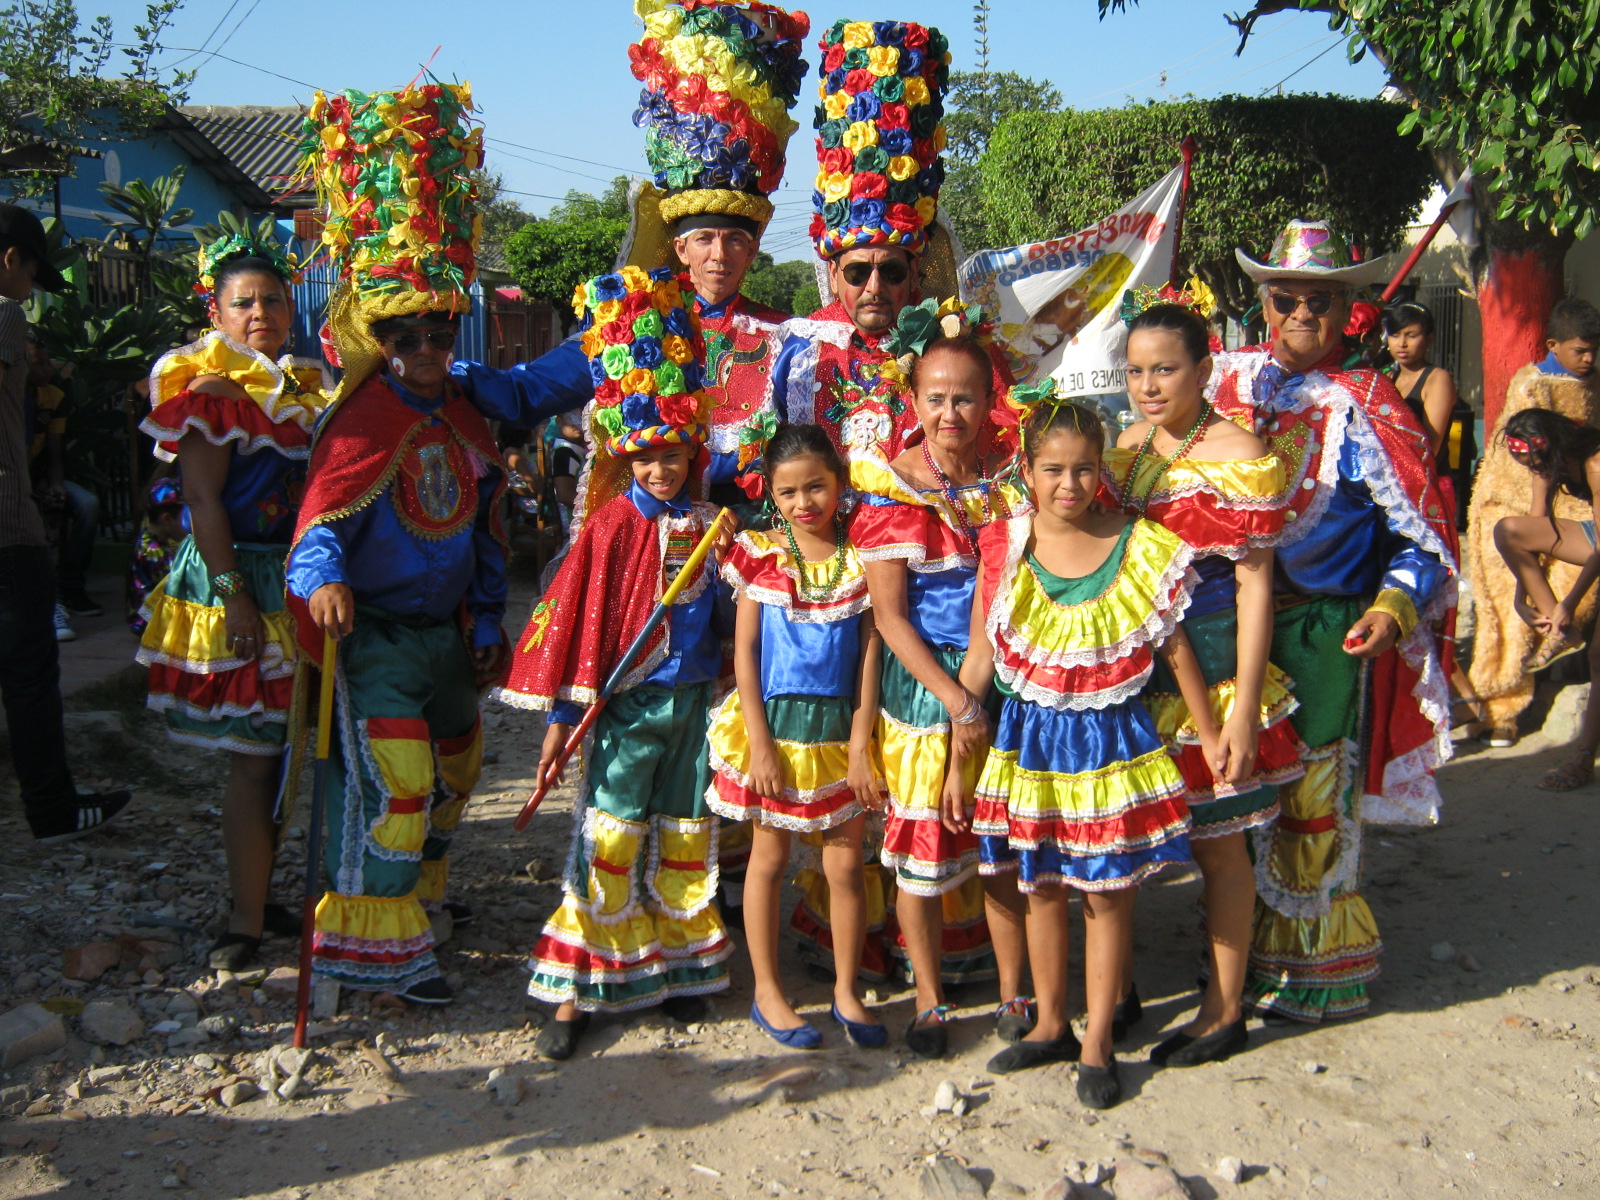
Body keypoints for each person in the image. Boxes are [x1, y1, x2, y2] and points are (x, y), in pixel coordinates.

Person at [288, 78, 508, 1004]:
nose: (424, 349)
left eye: (439, 331)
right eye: (404, 334)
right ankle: (379, 948)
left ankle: (424, 898)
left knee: (457, 771)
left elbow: (486, 529)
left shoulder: (465, 410)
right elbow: (317, 528)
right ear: (375, 339)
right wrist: (322, 582)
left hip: (444, 639)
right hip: (373, 637)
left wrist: (487, 620)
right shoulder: (357, 424)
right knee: (400, 782)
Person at [1208, 220, 1455, 1023]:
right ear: (1265, 305)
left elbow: (1422, 537)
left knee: (1312, 794)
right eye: (1286, 298)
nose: (1302, 314)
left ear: (1349, 311)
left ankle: (1313, 967)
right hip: (1234, 632)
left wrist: (1392, 607)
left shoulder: (1371, 408)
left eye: (1320, 300)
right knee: (1239, 789)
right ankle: (1238, 950)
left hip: (1324, 636)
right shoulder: (1231, 390)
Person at [497, 266, 731, 1059]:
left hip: (692, 706)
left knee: (685, 830)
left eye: (674, 454)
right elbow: (582, 632)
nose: (662, 469)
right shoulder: (608, 527)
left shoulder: (711, 522)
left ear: (691, 451)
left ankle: (674, 968)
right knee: (612, 834)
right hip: (629, 707)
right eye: (647, 456)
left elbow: (729, 618)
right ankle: (575, 986)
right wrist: (560, 724)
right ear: (625, 455)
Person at [955, 396, 1208, 1108]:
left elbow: (1175, 647)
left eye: (1084, 469)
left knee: (1106, 889)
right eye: (1053, 470)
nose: (1069, 485)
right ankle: (1049, 1024)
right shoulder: (1005, 545)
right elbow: (979, 656)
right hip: (1028, 741)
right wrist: (955, 757)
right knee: (1039, 883)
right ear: (1026, 471)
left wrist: (1212, 730)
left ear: (1103, 470)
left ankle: (1098, 1041)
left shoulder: (1139, 544)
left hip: (1109, 742)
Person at [1104, 291, 1301, 1066]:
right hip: (1133, 675)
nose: (1148, 386)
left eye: (1165, 370)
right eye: (1136, 372)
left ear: (1203, 368)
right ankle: (1116, 995)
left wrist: (1244, 709)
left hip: (1215, 668)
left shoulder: (1240, 453)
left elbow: (1256, 586)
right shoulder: (1127, 445)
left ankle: (1223, 1011)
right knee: (1119, 838)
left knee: (1220, 845)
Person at [136, 227, 331, 969]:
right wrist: (234, 598)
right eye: (243, 303)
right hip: (239, 577)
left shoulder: (304, 388)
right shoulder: (211, 390)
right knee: (254, 755)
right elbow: (202, 501)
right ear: (214, 314)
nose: (261, 314)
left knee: (291, 746)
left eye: (273, 301)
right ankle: (245, 919)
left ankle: (273, 893)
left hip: (295, 577)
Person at [850, 316, 1028, 1057]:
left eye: (965, 398)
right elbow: (889, 619)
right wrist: (956, 702)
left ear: (990, 400)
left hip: (997, 678)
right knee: (920, 857)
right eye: (935, 398)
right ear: (913, 400)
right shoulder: (892, 486)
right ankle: (929, 1000)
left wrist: (976, 698)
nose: (949, 413)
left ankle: (1016, 989)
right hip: (922, 689)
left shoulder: (1010, 480)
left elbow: (1002, 591)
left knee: (999, 845)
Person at [706, 422, 885, 1048]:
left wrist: (861, 743)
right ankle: (768, 991)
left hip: (839, 730)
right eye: (788, 492)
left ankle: (846, 990)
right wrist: (758, 744)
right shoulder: (761, 553)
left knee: (845, 865)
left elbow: (870, 652)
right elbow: (747, 652)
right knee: (769, 859)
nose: (804, 502)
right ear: (770, 493)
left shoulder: (863, 555)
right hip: (777, 730)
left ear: (839, 483)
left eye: (816, 487)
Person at [764, 17, 1013, 463]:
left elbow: (1006, 452)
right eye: (858, 272)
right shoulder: (795, 349)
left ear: (915, 272)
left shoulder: (954, 345)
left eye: (892, 271)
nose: (874, 287)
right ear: (833, 274)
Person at [0, 202, 131, 843]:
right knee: (29, 672)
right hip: (7, 527)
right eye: (30, 275)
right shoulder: (4, 317)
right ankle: (51, 809)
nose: (29, 291)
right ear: (10, 260)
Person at [1467, 297, 1600, 746]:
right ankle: (1500, 705)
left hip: (1585, 508)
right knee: (1506, 599)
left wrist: (1567, 603)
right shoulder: (1533, 395)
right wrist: (1524, 590)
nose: (1589, 359)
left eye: (1594, 350)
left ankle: (1564, 630)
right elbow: (1534, 491)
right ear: (1553, 346)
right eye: (1580, 350)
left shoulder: (1591, 457)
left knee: (1576, 584)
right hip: (1515, 500)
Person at [1492, 408, 1600, 789]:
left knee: (1599, 655)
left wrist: (1569, 603)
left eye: (1535, 463)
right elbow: (1532, 532)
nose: (1534, 470)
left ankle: (1582, 759)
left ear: (1552, 446)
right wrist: (1523, 599)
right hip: (1595, 537)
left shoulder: (1595, 463)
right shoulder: (1547, 463)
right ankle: (1563, 633)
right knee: (1508, 531)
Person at [24, 336, 101, 628]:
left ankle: (71, 586)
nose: (47, 369)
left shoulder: (53, 397)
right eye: (38, 364)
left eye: (47, 362)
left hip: (41, 477)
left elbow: (55, 451)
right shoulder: (9, 397)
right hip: (16, 483)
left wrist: (55, 484)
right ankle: (45, 597)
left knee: (87, 504)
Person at [127, 475, 184, 635]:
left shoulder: (149, 540)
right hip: (148, 622)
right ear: (167, 519)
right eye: (187, 517)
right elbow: (178, 582)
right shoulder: (152, 549)